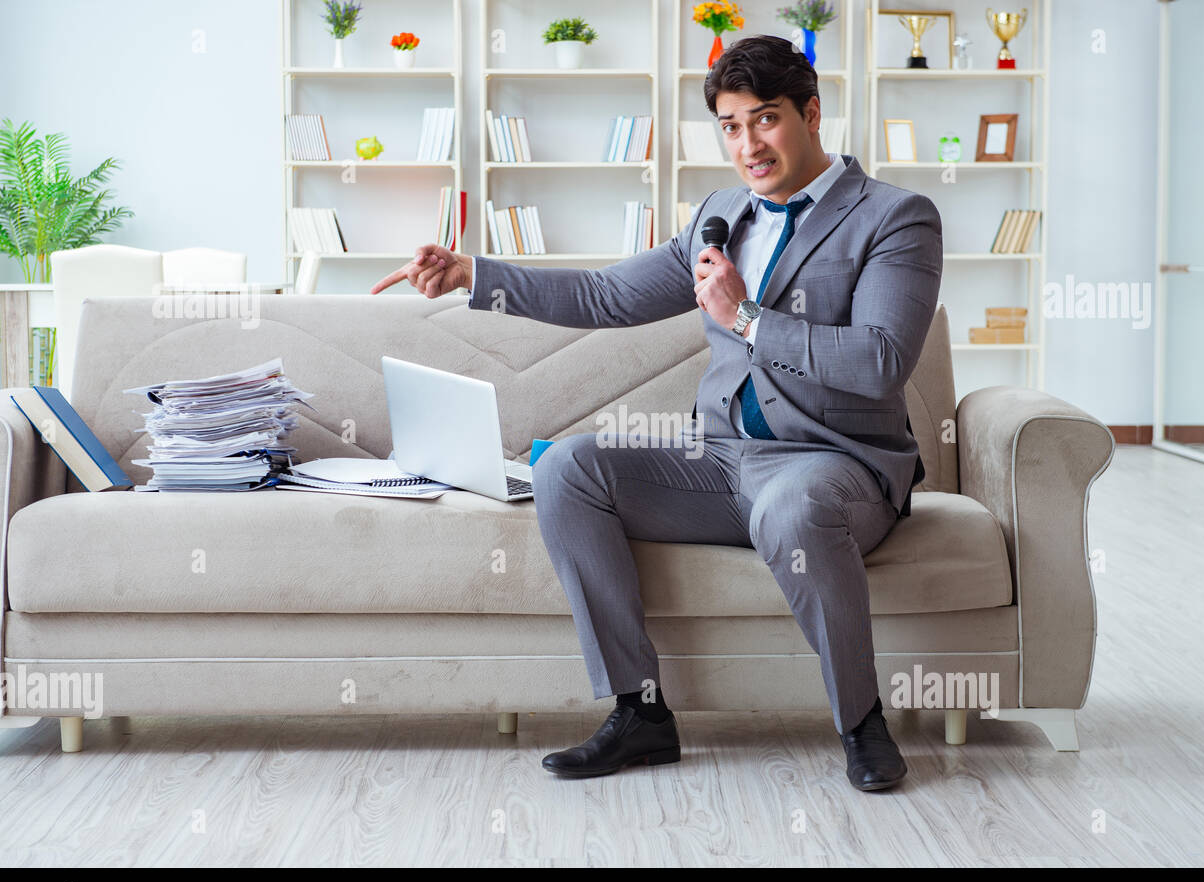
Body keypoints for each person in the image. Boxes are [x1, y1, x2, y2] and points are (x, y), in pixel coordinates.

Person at [371, 35, 942, 791]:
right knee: (569, 467)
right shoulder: (721, 214)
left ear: (811, 113)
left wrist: (746, 319)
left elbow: (880, 360)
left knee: (793, 510)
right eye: (731, 126)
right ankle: (639, 711)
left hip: (833, 467)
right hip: (722, 463)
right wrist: (473, 273)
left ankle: (862, 722)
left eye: (766, 119)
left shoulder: (895, 217)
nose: (748, 145)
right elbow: (606, 296)